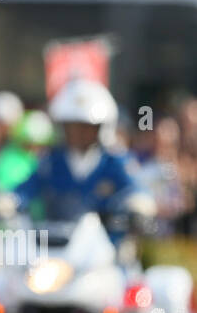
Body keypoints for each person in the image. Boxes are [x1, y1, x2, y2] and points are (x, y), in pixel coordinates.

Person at [10, 79, 154, 240]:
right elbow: (24, 190)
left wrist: (139, 206)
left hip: (105, 250)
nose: (79, 133)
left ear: (101, 128)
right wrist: (6, 202)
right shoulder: (51, 162)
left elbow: (135, 190)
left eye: (86, 126)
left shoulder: (115, 161)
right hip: (58, 248)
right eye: (72, 126)